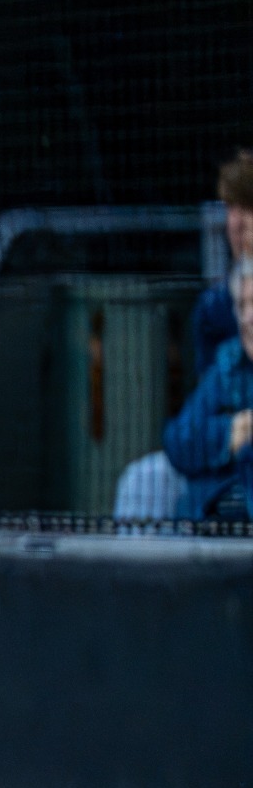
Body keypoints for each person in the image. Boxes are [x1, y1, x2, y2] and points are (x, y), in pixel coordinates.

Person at [164, 259, 253, 520]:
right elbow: (178, 439)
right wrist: (234, 430)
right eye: (242, 305)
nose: (248, 317)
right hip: (221, 512)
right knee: (140, 479)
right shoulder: (229, 364)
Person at [189, 152, 253, 375]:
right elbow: (205, 400)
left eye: (247, 208)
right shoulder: (213, 309)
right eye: (230, 208)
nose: (235, 223)